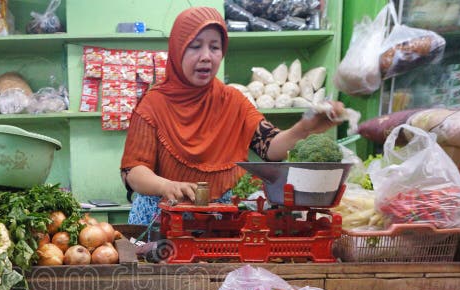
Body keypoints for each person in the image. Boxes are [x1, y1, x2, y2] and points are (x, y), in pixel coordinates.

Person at [120, 6, 345, 224]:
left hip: (219, 223)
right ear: (177, 49)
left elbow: (269, 147)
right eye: (195, 46)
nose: (206, 56)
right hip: (157, 222)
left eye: (215, 47)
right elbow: (133, 170)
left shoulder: (232, 101)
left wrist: (304, 127)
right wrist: (165, 186)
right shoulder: (153, 104)